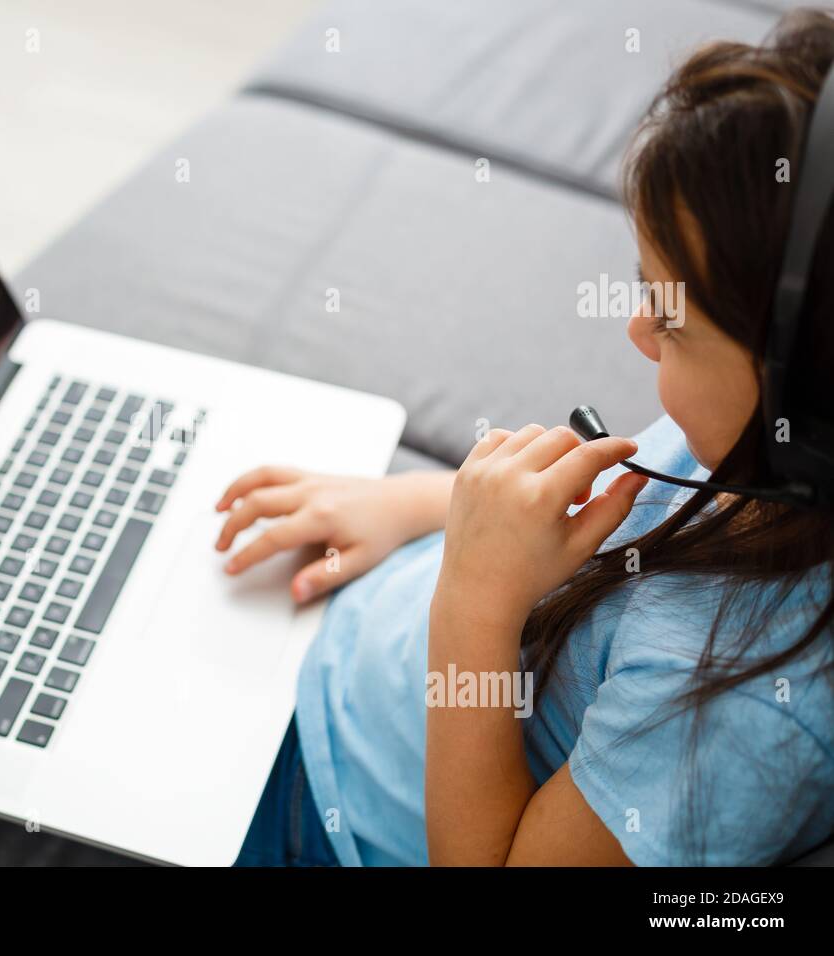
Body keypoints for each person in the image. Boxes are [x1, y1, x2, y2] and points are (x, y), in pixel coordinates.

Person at [224, 9, 834, 866]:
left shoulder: (745, 718)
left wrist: (474, 597)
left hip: (332, 809)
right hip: (358, 649)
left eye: (673, 322)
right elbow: (599, 524)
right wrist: (421, 506)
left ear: (806, 392)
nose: (638, 330)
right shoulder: (762, 455)